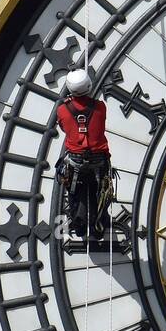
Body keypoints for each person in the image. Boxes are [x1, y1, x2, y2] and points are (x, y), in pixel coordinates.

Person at [55, 68, 112, 240]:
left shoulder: (62, 110)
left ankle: (78, 221)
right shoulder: (101, 107)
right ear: (88, 85)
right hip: (99, 159)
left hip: (76, 160)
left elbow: (64, 128)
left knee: (74, 190)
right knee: (99, 191)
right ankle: (98, 223)